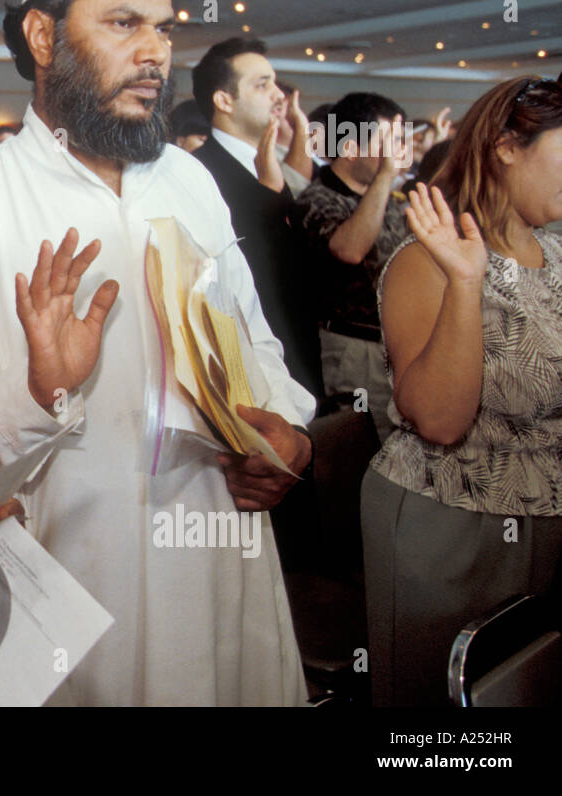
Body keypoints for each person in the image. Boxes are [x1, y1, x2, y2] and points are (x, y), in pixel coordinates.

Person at [0, 0, 314, 706]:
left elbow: (254, 341)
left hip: (222, 548)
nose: (154, 53)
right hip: (74, 587)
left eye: (163, 28)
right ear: (44, 37)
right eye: (124, 24)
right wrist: (34, 391)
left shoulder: (190, 181)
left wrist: (286, 436)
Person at [362, 74, 562, 706]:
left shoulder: (553, 252)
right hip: (451, 520)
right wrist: (466, 285)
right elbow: (441, 421)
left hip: (546, 514)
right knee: (439, 719)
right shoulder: (428, 258)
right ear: (506, 146)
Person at [191, 36, 323, 401]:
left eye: (275, 82)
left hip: (297, 359)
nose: (279, 95)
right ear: (224, 100)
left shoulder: (266, 164)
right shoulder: (200, 172)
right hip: (248, 376)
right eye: (262, 85)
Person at [293, 92, 411, 441]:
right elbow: (350, 249)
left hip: (394, 346)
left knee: (395, 445)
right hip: (352, 349)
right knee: (358, 442)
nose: (397, 153)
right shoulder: (318, 198)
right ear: (349, 148)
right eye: (389, 143)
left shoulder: (386, 198)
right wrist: (387, 176)